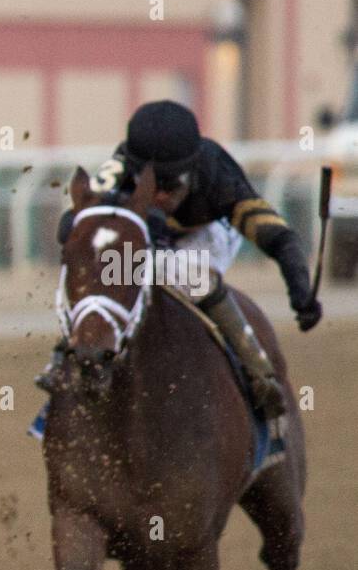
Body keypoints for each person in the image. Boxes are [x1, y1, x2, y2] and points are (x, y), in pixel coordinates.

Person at [37, 99, 323, 418]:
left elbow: (279, 237)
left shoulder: (219, 176)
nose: (155, 195)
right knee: (106, 270)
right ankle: (65, 356)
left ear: (192, 170)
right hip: (145, 235)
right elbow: (72, 224)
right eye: (149, 183)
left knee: (189, 277)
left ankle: (259, 371)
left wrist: (301, 291)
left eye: (169, 185)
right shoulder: (121, 165)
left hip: (207, 233)